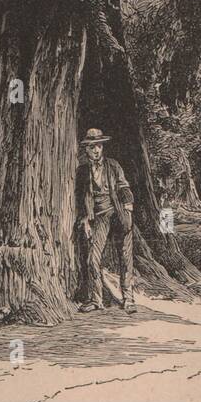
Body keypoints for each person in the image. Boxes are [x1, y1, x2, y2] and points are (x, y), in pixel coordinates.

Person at [75, 128, 136, 313]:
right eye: (92, 147)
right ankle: (96, 300)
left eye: (99, 146)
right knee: (92, 258)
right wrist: (85, 219)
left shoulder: (113, 165)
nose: (96, 150)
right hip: (98, 216)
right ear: (86, 149)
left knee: (125, 257)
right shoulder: (82, 171)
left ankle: (129, 299)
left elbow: (124, 186)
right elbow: (81, 198)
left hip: (117, 212)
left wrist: (128, 207)